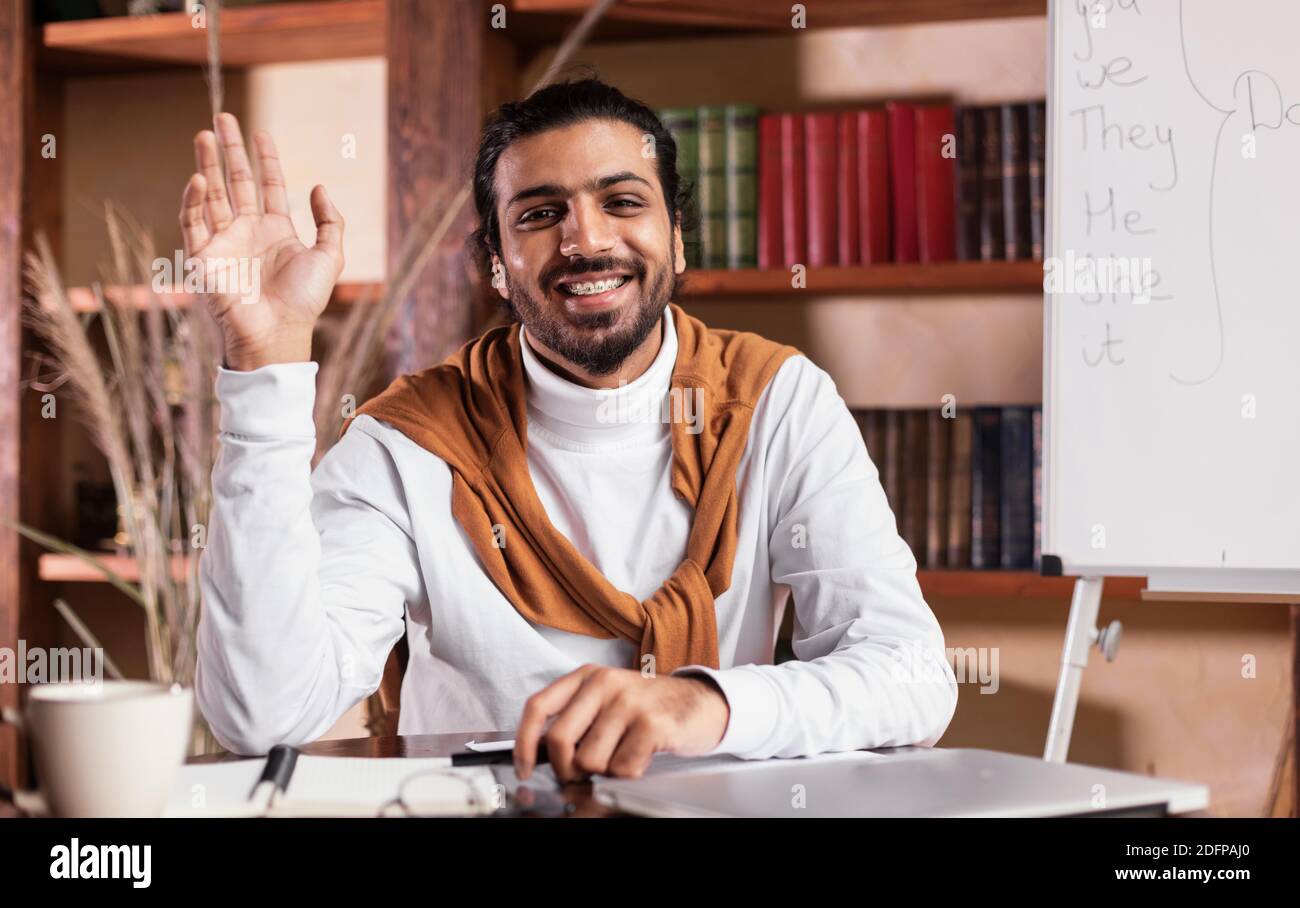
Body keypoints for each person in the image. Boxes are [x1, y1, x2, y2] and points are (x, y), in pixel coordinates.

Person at [188, 78, 957, 783]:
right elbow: (265, 717)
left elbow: (913, 677)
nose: (585, 240)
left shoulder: (777, 401)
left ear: (677, 236)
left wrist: (703, 705)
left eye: (622, 202)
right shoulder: (407, 443)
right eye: (540, 214)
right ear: (496, 264)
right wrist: (267, 365)